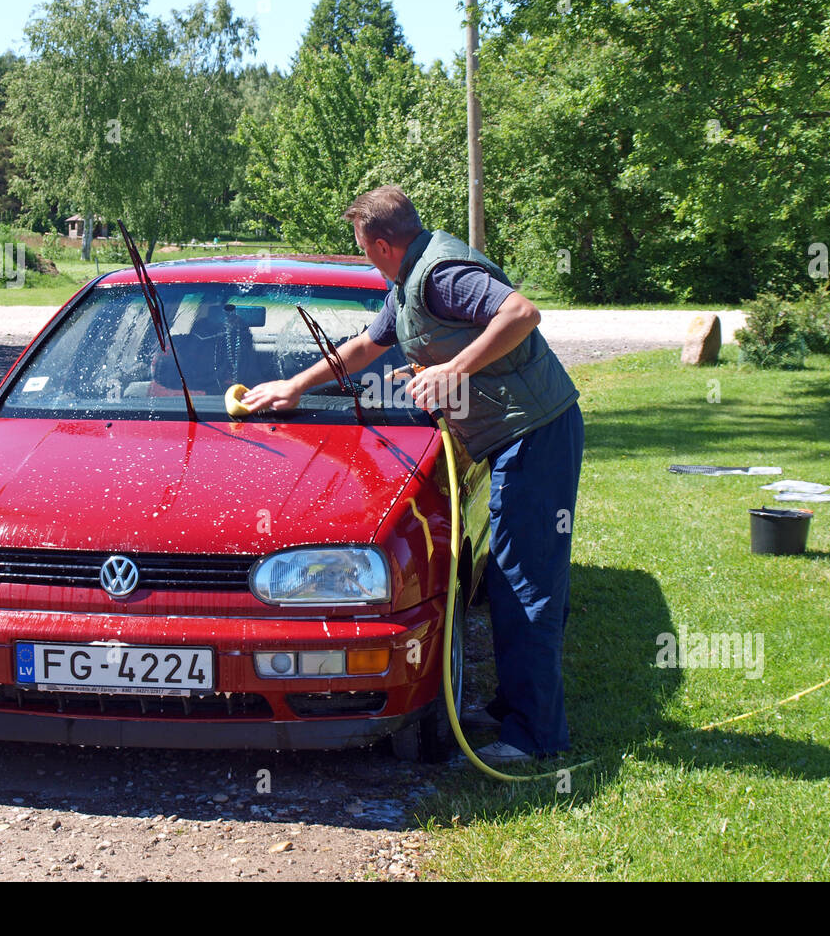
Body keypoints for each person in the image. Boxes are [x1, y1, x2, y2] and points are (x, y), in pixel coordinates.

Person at [241, 185, 583, 766]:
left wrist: (452, 368)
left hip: (536, 433)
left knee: (526, 581)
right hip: (513, 435)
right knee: (508, 578)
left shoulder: (441, 274)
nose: (366, 256)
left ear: (380, 244)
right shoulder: (406, 284)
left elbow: (522, 313)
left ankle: (536, 737)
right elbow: (365, 346)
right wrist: (294, 386)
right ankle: (516, 707)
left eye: (363, 247)